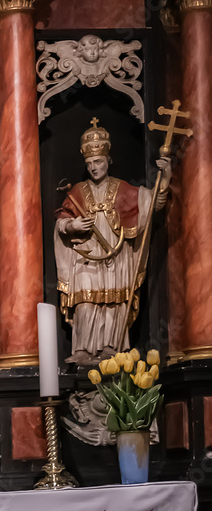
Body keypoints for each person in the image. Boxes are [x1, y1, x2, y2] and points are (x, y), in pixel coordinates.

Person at [54, 118, 171, 364]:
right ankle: (83, 348)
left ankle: (112, 345)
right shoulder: (76, 191)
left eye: (98, 162)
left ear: (108, 160)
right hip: (86, 254)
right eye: (89, 163)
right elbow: (62, 220)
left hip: (116, 256)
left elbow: (152, 206)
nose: (94, 167)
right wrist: (72, 225)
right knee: (85, 300)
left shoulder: (122, 188)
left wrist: (166, 178)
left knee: (113, 299)